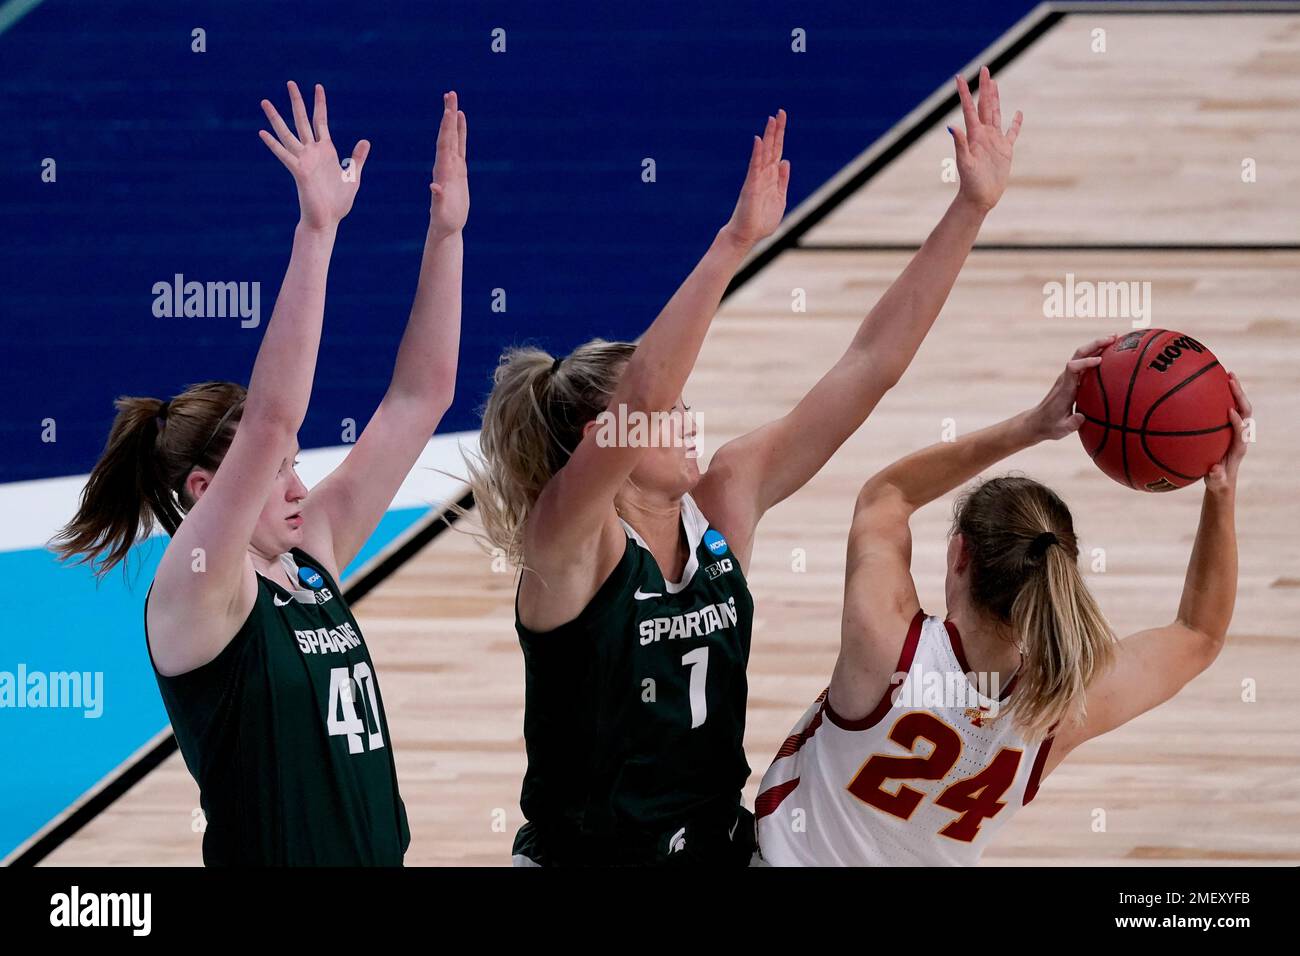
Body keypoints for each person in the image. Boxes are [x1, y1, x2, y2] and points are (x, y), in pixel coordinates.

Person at [464, 69, 1024, 865]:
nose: (687, 415)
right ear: (605, 435)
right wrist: (733, 244)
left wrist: (969, 209)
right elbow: (647, 387)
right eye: (668, 410)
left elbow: (868, 365)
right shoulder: (570, 543)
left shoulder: (723, 500)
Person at [54, 83, 469, 865]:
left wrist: (446, 234)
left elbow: (422, 397)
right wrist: (316, 231)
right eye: (277, 473)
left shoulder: (306, 557)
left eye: (294, 470)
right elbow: (275, 414)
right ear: (208, 491)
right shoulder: (198, 588)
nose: (300, 487)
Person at [754, 337, 1251, 865]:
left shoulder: (887, 646)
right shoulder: (1061, 704)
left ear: (959, 553)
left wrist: (1034, 425)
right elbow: (1200, 633)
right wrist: (1220, 490)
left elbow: (888, 494)